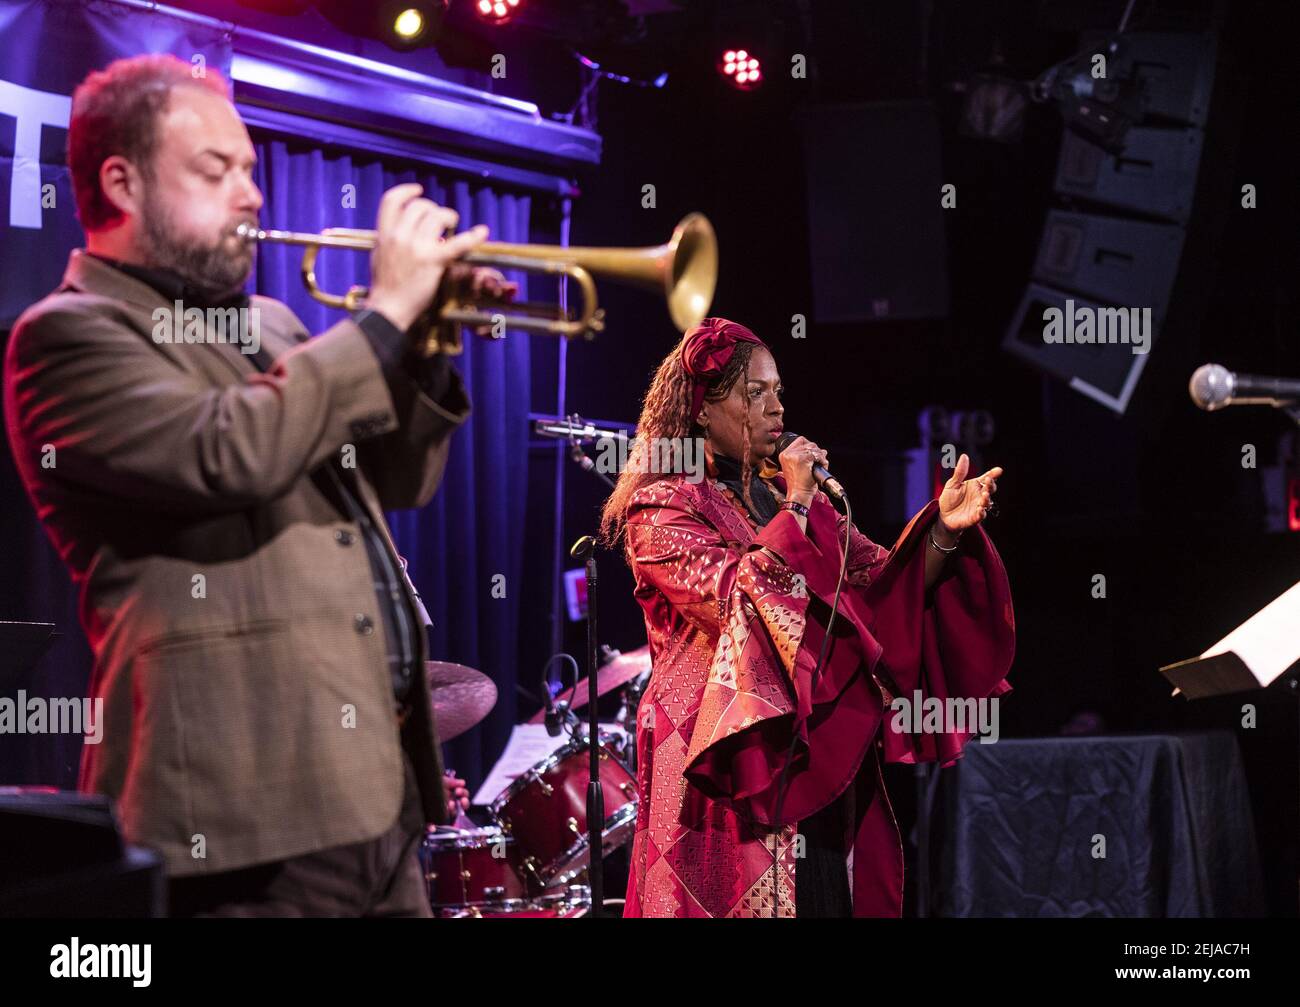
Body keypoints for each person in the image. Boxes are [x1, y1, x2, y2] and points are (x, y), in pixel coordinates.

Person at [3, 54, 507, 916]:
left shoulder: (269, 324)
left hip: (380, 803)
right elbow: (223, 453)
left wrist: (425, 344)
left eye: (250, 169)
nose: (253, 194)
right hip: (241, 817)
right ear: (121, 183)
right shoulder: (64, 338)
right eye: (215, 170)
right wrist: (380, 321)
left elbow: (395, 479)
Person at [599, 317, 1015, 917]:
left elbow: (880, 585)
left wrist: (944, 531)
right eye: (755, 394)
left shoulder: (789, 497)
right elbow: (741, 599)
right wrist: (796, 503)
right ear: (700, 412)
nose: (777, 408)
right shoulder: (661, 506)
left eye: (778, 391)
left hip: (806, 757)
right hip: (719, 759)